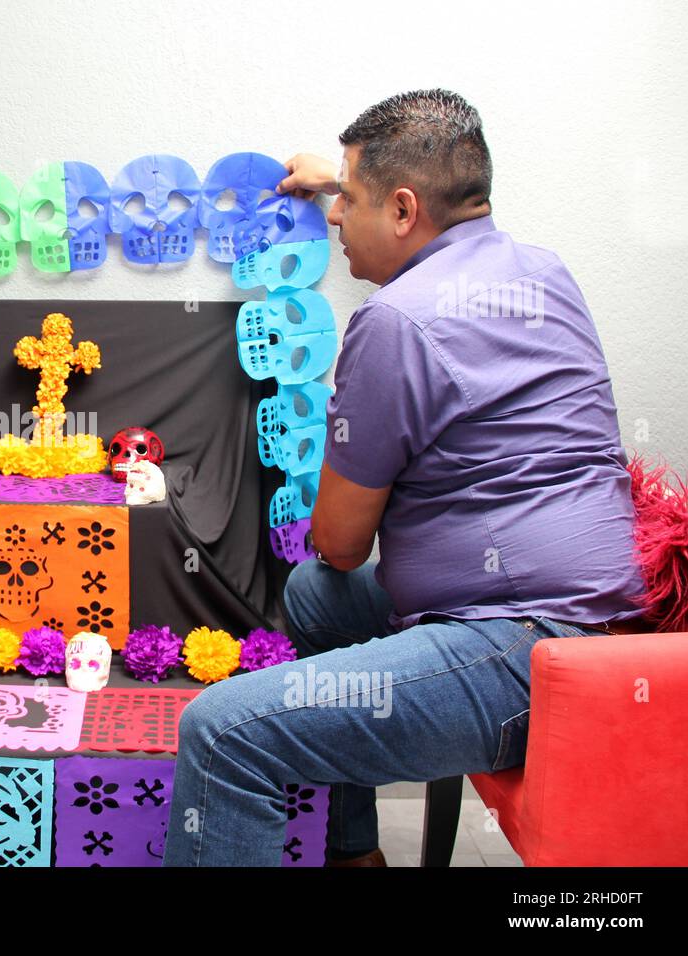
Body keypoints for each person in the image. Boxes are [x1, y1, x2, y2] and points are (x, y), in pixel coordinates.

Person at [162, 89, 648, 866]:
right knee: (314, 600)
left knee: (222, 733)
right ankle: (358, 855)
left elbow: (341, 541)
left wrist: (351, 422)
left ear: (400, 209)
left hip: (526, 655)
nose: (332, 217)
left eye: (346, 202)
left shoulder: (393, 323)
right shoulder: (542, 276)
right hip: (602, 619)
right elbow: (424, 228)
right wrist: (340, 178)